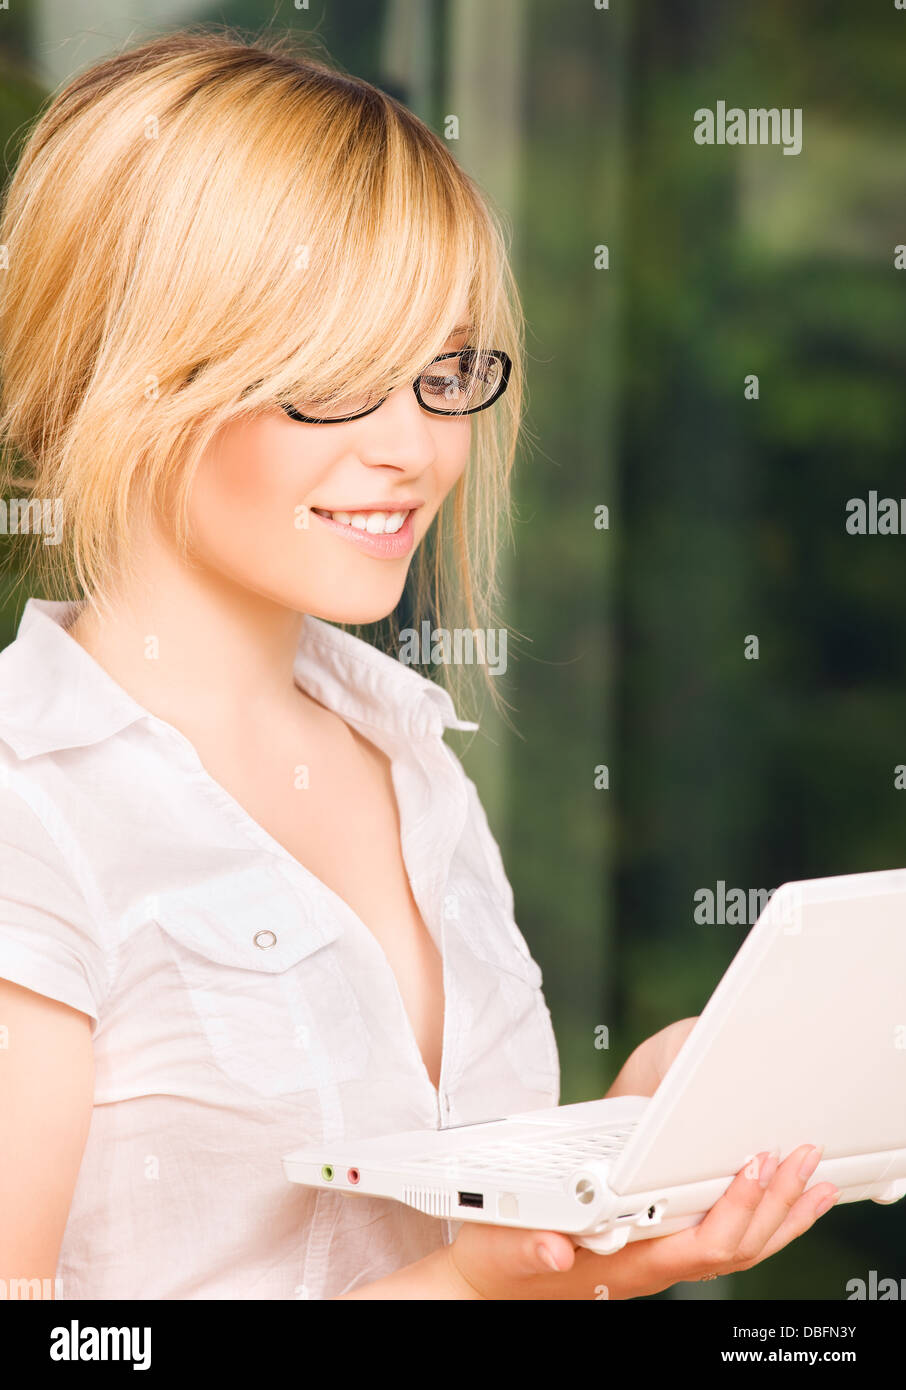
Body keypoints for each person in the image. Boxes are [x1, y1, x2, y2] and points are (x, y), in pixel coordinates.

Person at [0, 29, 837, 1301]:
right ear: (136, 370)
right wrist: (478, 1283)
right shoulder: (32, 812)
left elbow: (462, 1254)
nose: (416, 447)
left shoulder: (407, 758)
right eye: (336, 377)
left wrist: (618, 1176)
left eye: (442, 370)